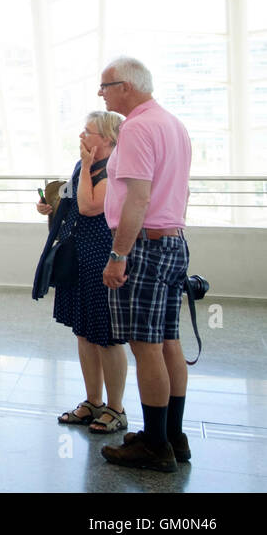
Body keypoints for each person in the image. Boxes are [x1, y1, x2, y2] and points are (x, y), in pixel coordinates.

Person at [97, 57, 193, 473]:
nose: (100, 93)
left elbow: (138, 197)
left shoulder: (137, 127)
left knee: (145, 345)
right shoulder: (172, 123)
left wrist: (119, 255)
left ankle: (155, 447)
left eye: (105, 85)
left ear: (127, 86)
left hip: (145, 247)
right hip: (172, 241)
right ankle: (172, 435)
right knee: (169, 340)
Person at [36, 111, 129, 434]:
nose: (81, 136)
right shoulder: (81, 167)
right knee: (83, 331)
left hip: (103, 257)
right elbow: (71, 200)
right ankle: (93, 401)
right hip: (78, 257)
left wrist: (87, 167)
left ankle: (116, 408)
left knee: (106, 336)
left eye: (88, 132)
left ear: (108, 139)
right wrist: (49, 206)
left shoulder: (115, 170)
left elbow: (90, 206)